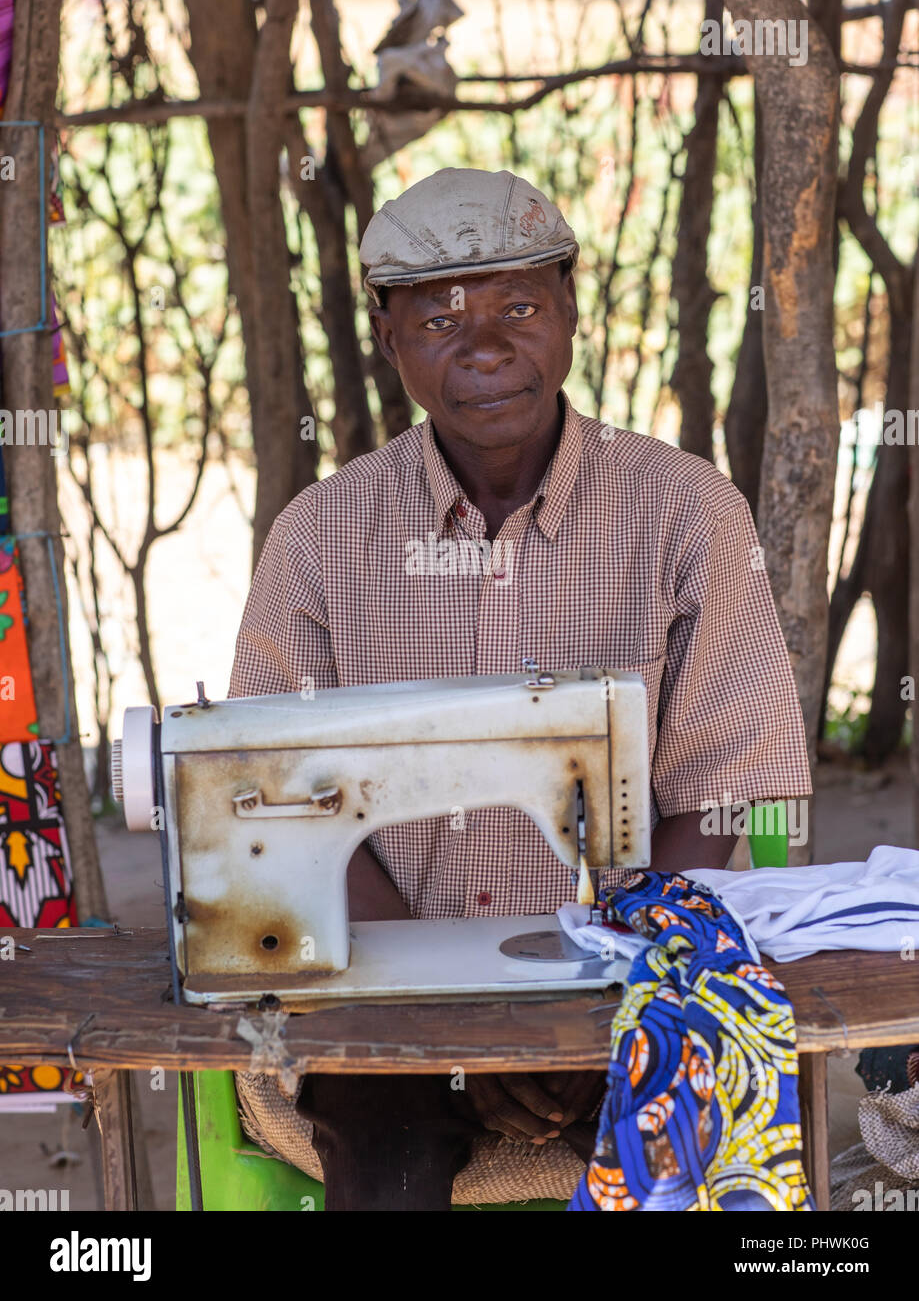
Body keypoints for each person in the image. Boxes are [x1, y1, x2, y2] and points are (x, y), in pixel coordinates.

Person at [227, 167, 812, 1210]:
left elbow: (726, 786)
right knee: (383, 1138)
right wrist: (450, 1022)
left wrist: (601, 1004)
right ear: (388, 337)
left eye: (519, 308)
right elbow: (274, 802)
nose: (485, 347)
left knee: (700, 1119)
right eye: (438, 320)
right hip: (389, 991)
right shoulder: (319, 538)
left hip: (630, 978)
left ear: (571, 309)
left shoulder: (685, 514)